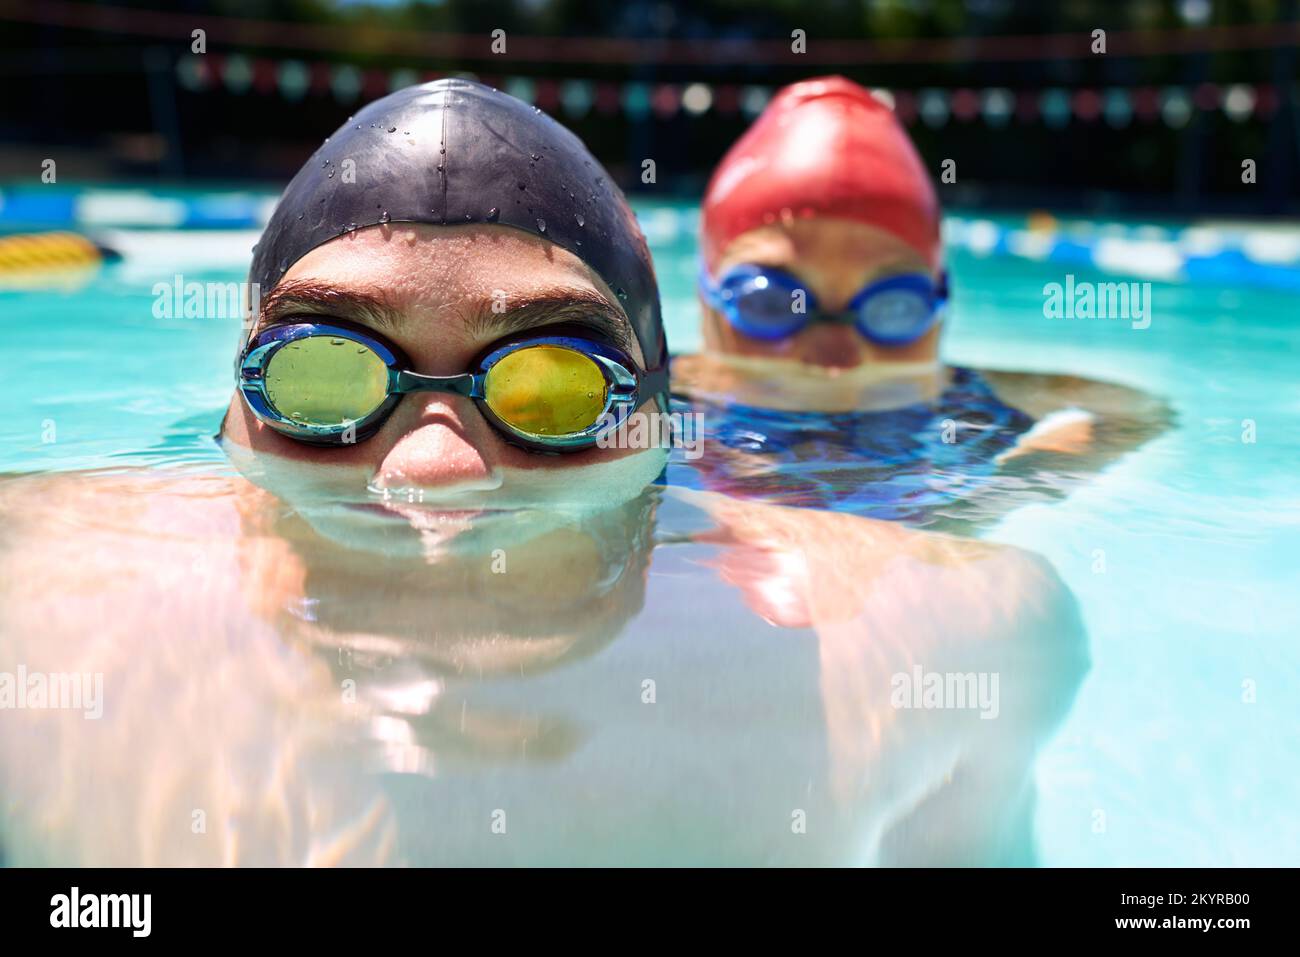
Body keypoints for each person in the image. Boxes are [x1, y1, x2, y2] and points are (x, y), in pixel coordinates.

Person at [0, 79, 1086, 865]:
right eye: (323, 374)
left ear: (662, 424)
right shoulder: (23, 608)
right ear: (234, 410)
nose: (432, 473)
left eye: (551, 385)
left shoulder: (947, 639)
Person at [670, 76, 1171, 528]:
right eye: (771, 303)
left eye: (892, 308)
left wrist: (996, 497)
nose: (835, 358)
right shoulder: (660, 403)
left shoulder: (967, 401)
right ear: (706, 299)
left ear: (939, 308)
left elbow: (1135, 410)